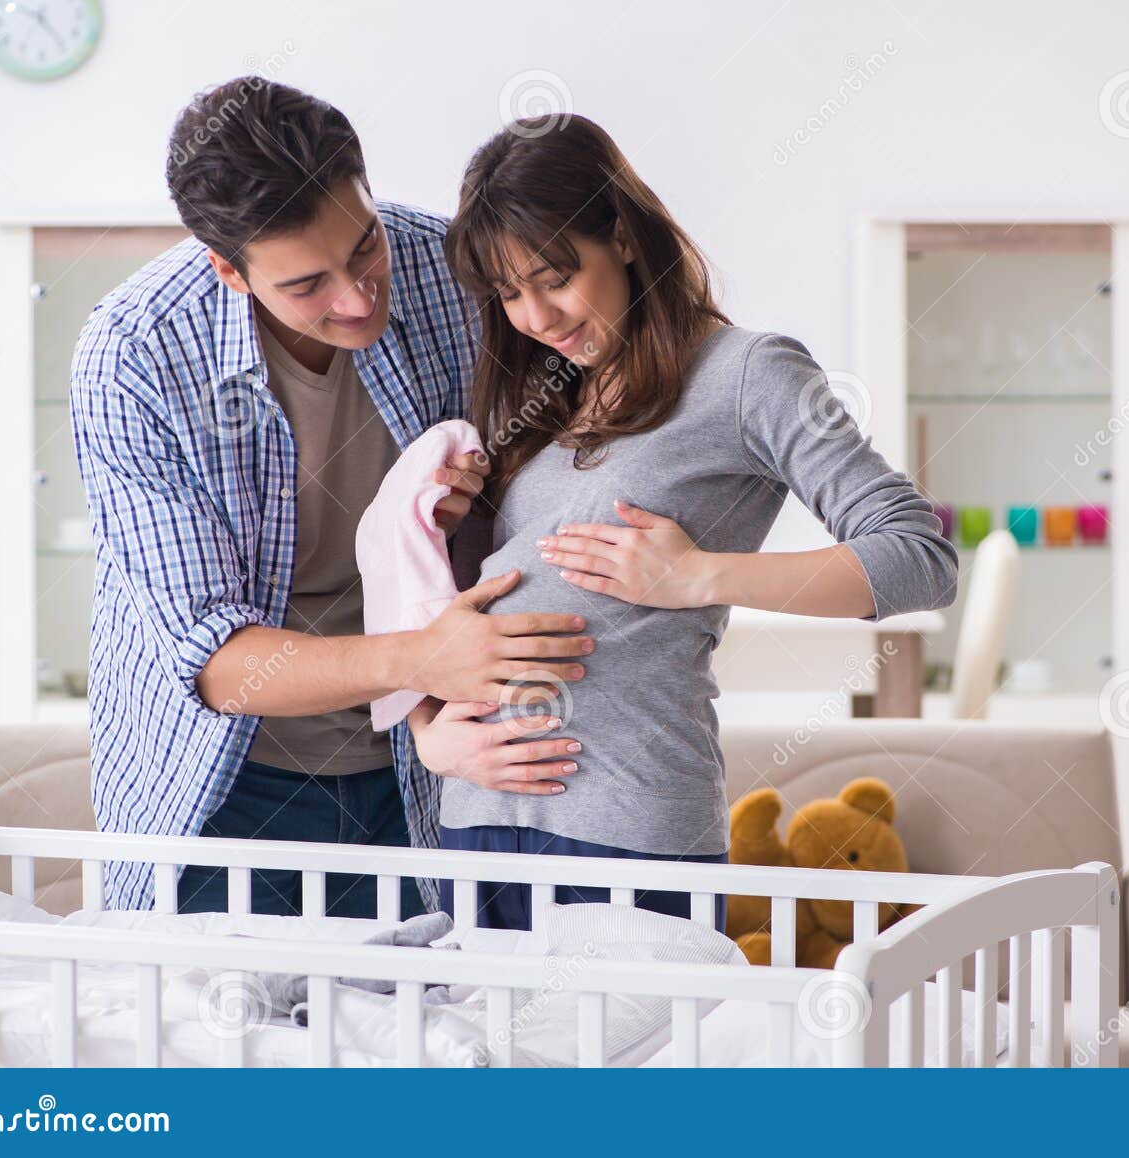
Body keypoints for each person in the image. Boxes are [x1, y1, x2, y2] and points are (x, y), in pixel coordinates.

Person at [410, 115, 959, 931]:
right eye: (508, 294)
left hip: (627, 831)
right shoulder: (544, 392)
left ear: (624, 236)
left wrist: (698, 574)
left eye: (554, 277)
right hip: (476, 816)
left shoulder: (748, 373)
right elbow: (464, 603)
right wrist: (429, 737)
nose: (535, 315)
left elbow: (920, 557)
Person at [69, 78, 591, 917]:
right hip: (227, 786)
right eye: (308, 284)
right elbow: (215, 660)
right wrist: (423, 658)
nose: (356, 299)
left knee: (431, 1035)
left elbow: (567, 452)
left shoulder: (450, 271)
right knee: (229, 1043)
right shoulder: (136, 356)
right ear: (228, 270)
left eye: (364, 247)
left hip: (428, 764)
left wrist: (476, 503)